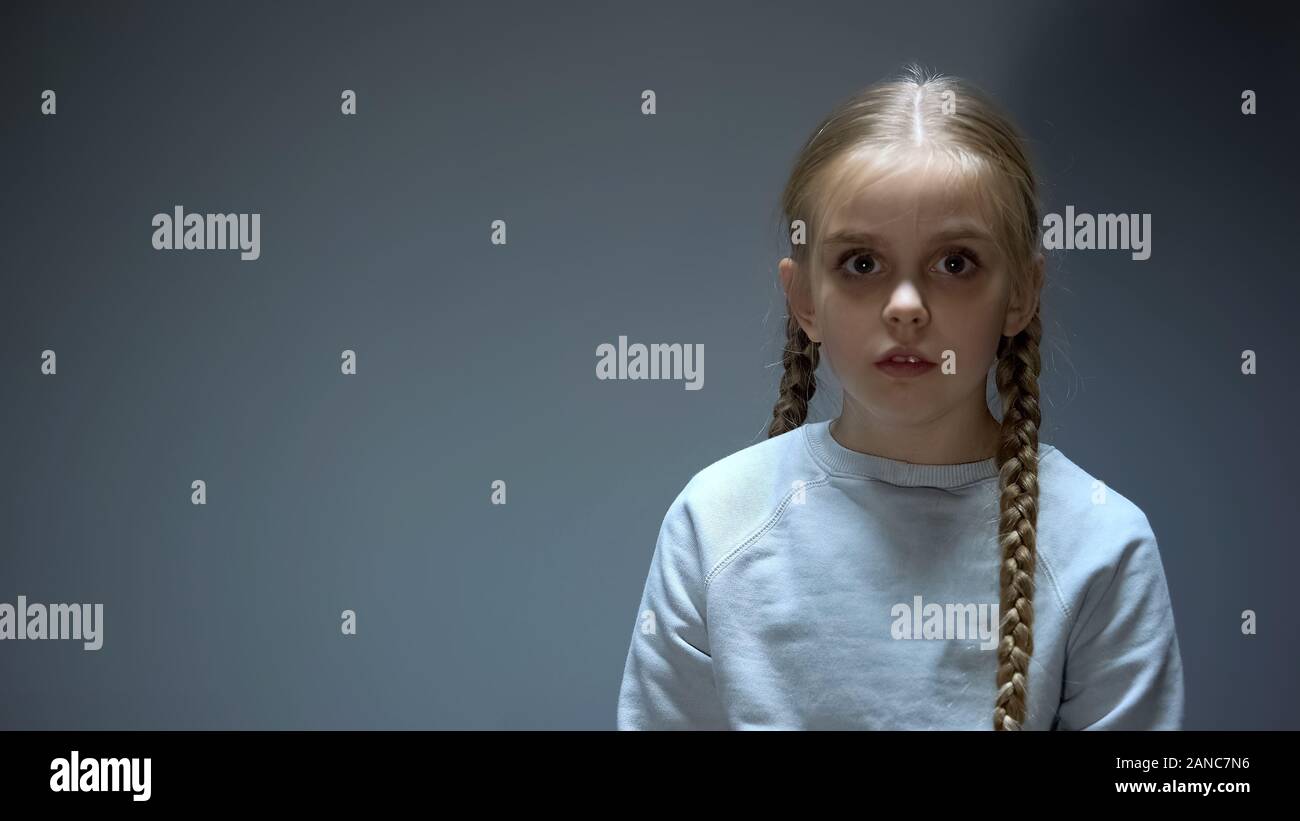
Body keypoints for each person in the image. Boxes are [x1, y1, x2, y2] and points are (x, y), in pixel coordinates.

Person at [616, 65, 1184, 730]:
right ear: (804, 299)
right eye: (861, 263)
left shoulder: (1102, 544)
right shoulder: (713, 523)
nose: (907, 307)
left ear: (1022, 293)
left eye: (955, 263)